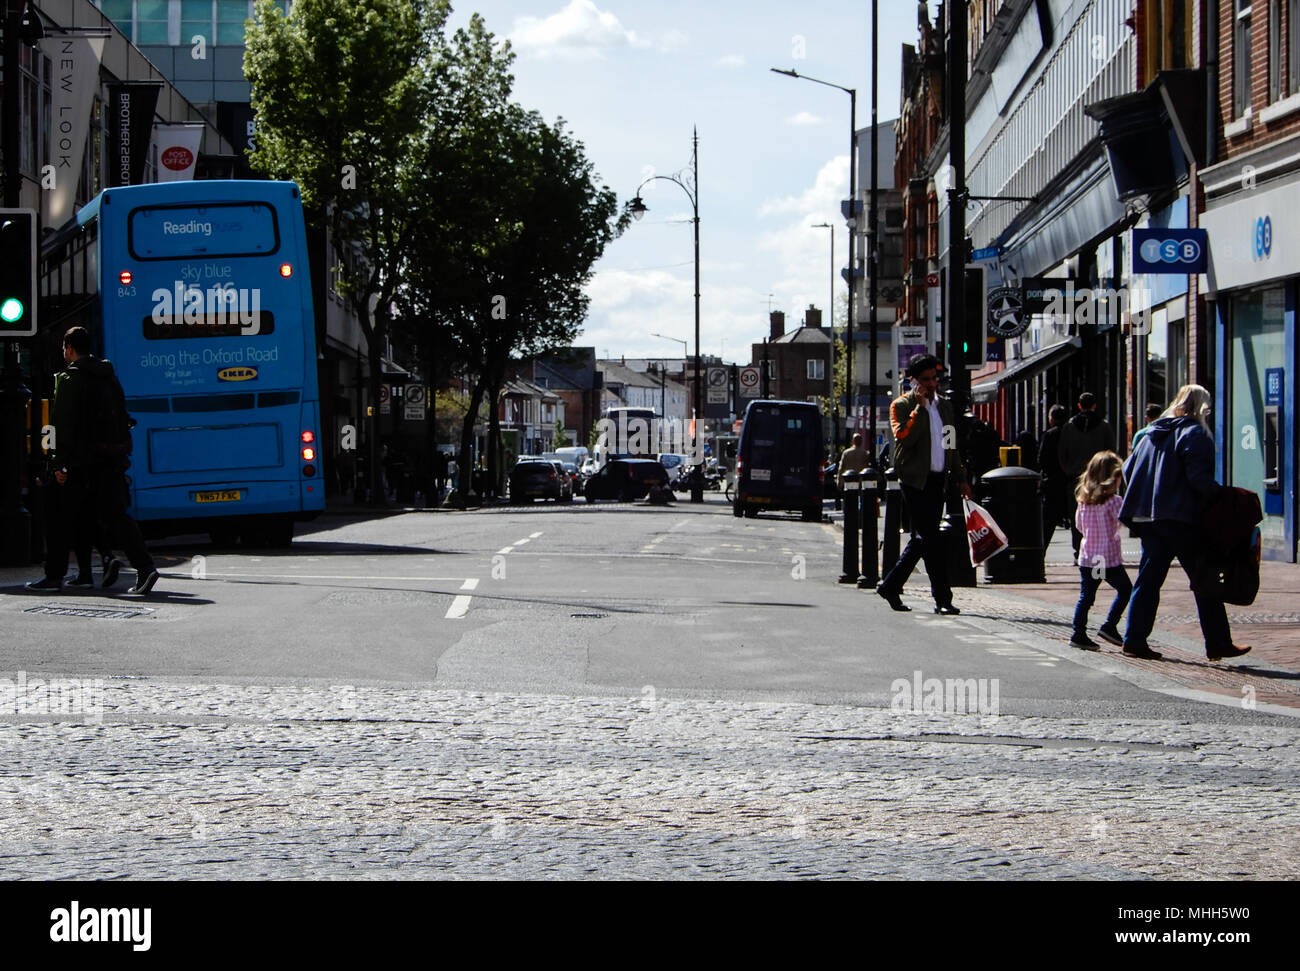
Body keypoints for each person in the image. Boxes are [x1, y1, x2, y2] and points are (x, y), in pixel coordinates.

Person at [1119, 384, 1250, 662]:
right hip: (1180, 519)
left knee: (1148, 580)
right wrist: (1221, 494)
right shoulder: (1195, 433)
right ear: (1203, 407)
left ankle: (1134, 639)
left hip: (1150, 518)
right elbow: (1198, 480)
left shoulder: (1152, 433)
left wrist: (1146, 497)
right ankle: (1218, 643)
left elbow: (1127, 469)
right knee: (1204, 580)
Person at [26, 326, 159, 595]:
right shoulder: (108, 376)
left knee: (58, 516)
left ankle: (54, 577)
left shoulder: (68, 378)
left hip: (80, 462)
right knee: (113, 516)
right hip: (110, 458)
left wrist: (59, 464)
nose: (64, 353)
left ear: (70, 349)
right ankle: (141, 567)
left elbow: (62, 426)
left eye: (64, 348)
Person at [875, 353, 972, 614]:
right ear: (914, 381)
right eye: (925, 380)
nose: (931, 384)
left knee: (923, 538)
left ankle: (890, 586)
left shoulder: (945, 407)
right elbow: (904, 437)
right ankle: (943, 599)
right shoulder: (901, 406)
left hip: (938, 480)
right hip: (914, 480)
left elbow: (951, 444)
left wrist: (960, 477)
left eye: (934, 379)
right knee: (932, 539)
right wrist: (919, 408)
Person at [1069, 451, 1131, 650]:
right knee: (1125, 590)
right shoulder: (1114, 501)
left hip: (1088, 556)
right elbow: (1124, 521)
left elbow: (1079, 526)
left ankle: (1078, 633)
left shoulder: (1083, 500)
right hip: (1107, 558)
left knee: (1086, 596)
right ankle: (1109, 625)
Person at [1059, 392, 1113, 556]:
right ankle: (1099, 552)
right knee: (1099, 517)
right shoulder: (1104, 426)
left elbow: (1062, 453)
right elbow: (1110, 452)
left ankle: (1079, 550)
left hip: (1075, 478)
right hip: (1098, 478)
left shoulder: (1069, 426)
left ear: (1079, 405)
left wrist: (1068, 470)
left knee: (1078, 516)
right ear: (1095, 405)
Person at [1037, 404, 1069, 549]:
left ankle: (1041, 553)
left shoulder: (1050, 434)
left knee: (1048, 523)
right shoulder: (1071, 432)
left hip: (1053, 483)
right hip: (1070, 480)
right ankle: (1078, 554)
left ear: (1052, 419)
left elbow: (1042, 459)